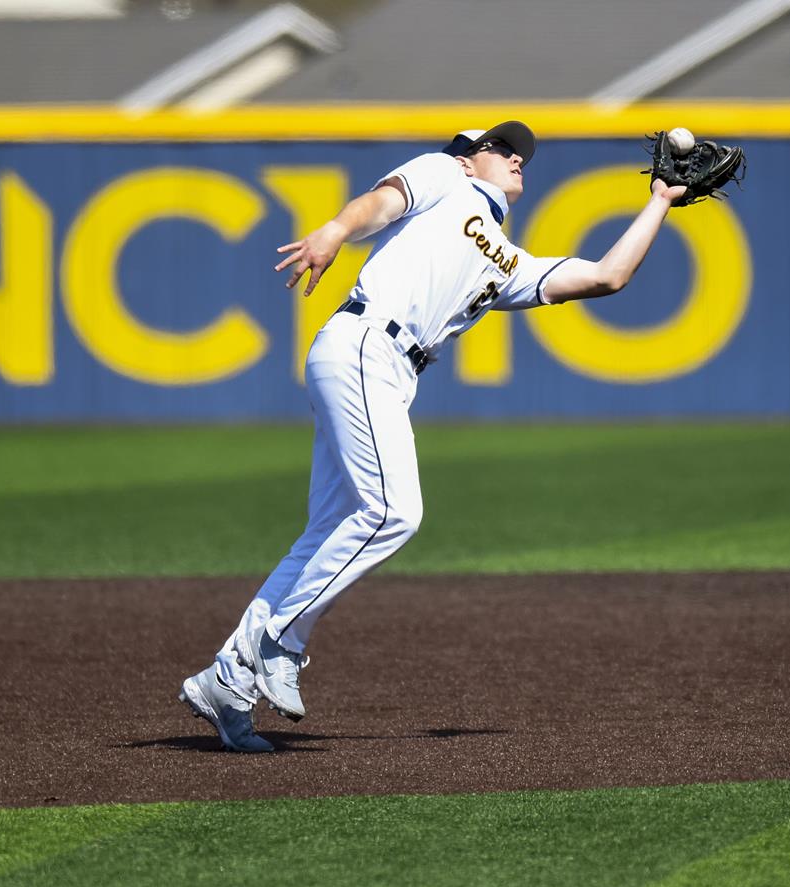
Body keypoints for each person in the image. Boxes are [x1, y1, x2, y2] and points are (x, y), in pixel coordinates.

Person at [179, 121, 691, 752]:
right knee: (395, 512)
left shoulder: (506, 260)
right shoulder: (445, 175)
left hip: (389, 369)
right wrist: (337, 230)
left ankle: (227, 681)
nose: (513, 158)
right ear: (470, 158)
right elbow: (381, 203)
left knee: (330, 529)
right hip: (367, 344)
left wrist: (659, 201)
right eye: (499, 148)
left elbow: (605, 277)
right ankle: (278, 640)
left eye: (518, 153)